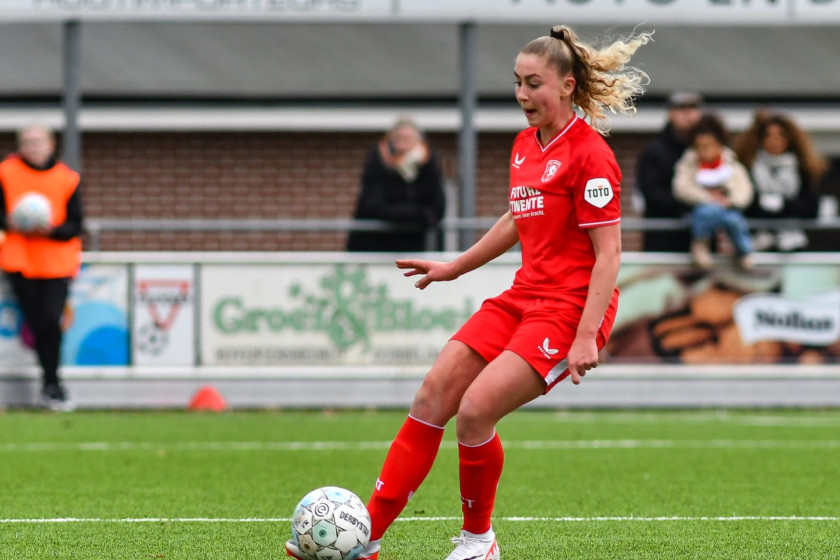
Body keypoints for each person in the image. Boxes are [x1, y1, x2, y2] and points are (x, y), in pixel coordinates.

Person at [287, 24, 651, 560]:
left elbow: (610, 255)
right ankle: (365, 541)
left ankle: (480, 542)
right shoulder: (526, 146)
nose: (523, 95)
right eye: (517, 83)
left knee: (476, 410)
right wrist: (456, 266)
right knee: (433, 394)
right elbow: (517, 216)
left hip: (569, 309)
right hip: (524, 295)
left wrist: (585, 336)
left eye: (535, 84)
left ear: (568, 87)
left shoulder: (591, 155)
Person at [0, 124, 84, 411]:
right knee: (37, 323)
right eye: (26, 142)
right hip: (19, 260)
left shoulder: (67, 179)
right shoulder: (6, 173)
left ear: (51, 145)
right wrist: (9, 221)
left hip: (56, 263)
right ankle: (50, 384)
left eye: (37, 142)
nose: (32, 147)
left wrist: (51, 230)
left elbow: (75, 225)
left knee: (50, 320)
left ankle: (53, 383)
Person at [346, 118, 446, 252]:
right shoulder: (378, 161)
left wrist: (415, 214)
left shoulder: (428, 163)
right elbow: (372, 207)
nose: (403, 146)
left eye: (408, 140)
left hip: (413, 247)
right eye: (399, 139)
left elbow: (437, 208)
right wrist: (419, 213)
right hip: (373, 247)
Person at [735, 111, 827, 252]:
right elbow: (745, 205)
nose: (775, 141)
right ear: (760, 140)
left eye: (780, 136)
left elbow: (810, 208)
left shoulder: (802, 169)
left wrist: (781, 204)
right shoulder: (747, 168)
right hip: (757, 243)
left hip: (794, 243)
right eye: (769, 136)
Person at [673, 113, 754, 270]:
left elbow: (744, 188)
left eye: (708, 145)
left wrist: (731, 201)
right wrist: (706, 197)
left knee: (735, 222)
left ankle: (744, 251)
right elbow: (681, 187)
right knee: (706, 213)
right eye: (700, 146)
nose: (704, 150)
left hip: (727, 207)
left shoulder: (731, 164)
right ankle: (701, 245)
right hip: (703, 207)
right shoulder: (690, 164)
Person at [635, 91, 704, 252]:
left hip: (700, 240)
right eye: (683, 110)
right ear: (670, 114)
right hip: (664, 239)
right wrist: (693, 200)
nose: (689, 116)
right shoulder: (654, 150)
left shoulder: (708, 149)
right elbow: (651, 194)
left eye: (693, 110)